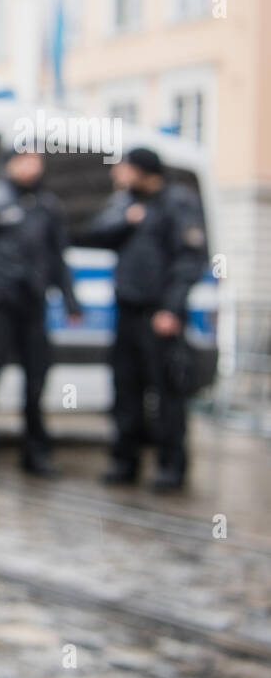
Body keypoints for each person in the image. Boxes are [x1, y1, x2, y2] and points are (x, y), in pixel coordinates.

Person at [82, 147, 208, 494]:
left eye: (123, 168)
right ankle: (125, 463)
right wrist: (128, 220)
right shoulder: (125, 204)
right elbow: (95, 234)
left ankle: (171, 468)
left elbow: (189, 261)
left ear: (143, 170)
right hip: (128, 313)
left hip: (160, 316)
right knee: (126, 390)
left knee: (167, 395)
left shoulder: (178, 202)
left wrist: (171, 308)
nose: (116, 174)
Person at [0, 146, 83, 479]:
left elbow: (58, 257)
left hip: (33, 304)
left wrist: (71, 301)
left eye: (37, 160)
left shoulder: (46, 205)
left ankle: (35, 453)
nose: (33, 166)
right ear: (10, 163)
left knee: (37, 379)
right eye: (26, 159)